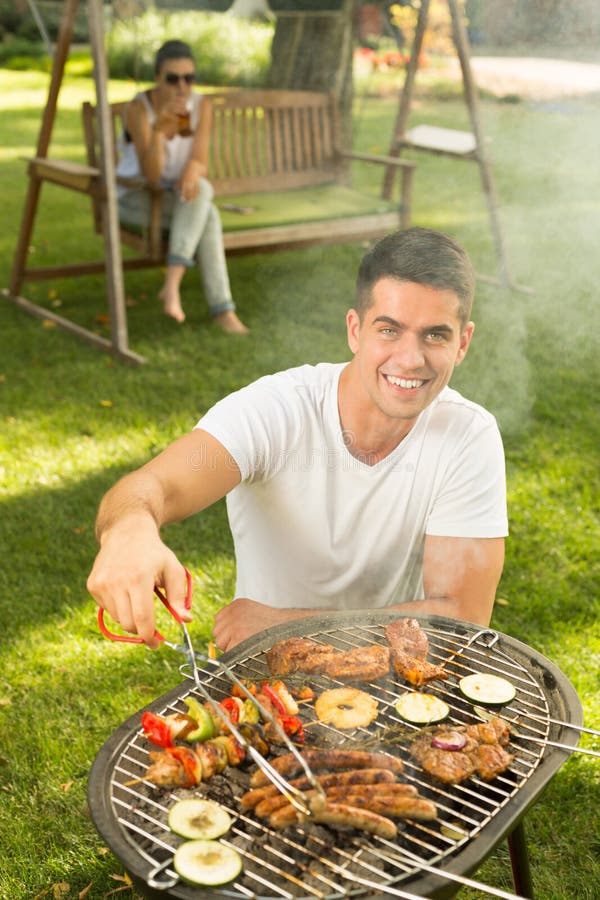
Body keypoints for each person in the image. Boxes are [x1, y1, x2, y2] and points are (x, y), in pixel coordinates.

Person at [87, 227, 508, 651]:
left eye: (435, 335)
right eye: (389, 330)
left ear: (462, 343)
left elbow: (462, 617)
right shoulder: (276, 411)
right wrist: (130, 530)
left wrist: (286, 626)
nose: (411, 359)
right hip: (266, 672)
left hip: (395, 672)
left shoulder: (467, 436)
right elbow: (153, 485)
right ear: (355, 330)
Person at [116, 39, 248, 333]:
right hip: (135, 199)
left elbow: (200, 159)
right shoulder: (139, 109)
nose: (182, 87)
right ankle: (222, 310)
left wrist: (192, 169)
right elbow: (152, 176)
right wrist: (158, 133)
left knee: (203, 194)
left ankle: (173, 285)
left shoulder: (200, 106)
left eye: (189, 78)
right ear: (157, 78)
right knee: (208, 212)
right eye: (172, 79)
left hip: (176, 198)